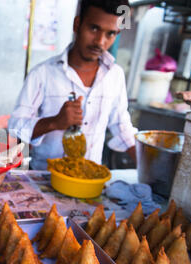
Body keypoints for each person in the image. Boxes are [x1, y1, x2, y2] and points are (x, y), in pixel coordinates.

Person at [9, 0, 137, 170]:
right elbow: (15, 129)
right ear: (77, 25)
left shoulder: (115, 75)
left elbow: (122, 126)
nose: (100, 41)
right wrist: (54, 122)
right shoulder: (42, 74)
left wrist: (150, 168)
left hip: (89, 180)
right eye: (94, 28)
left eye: (110, 34)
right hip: (45, 181)